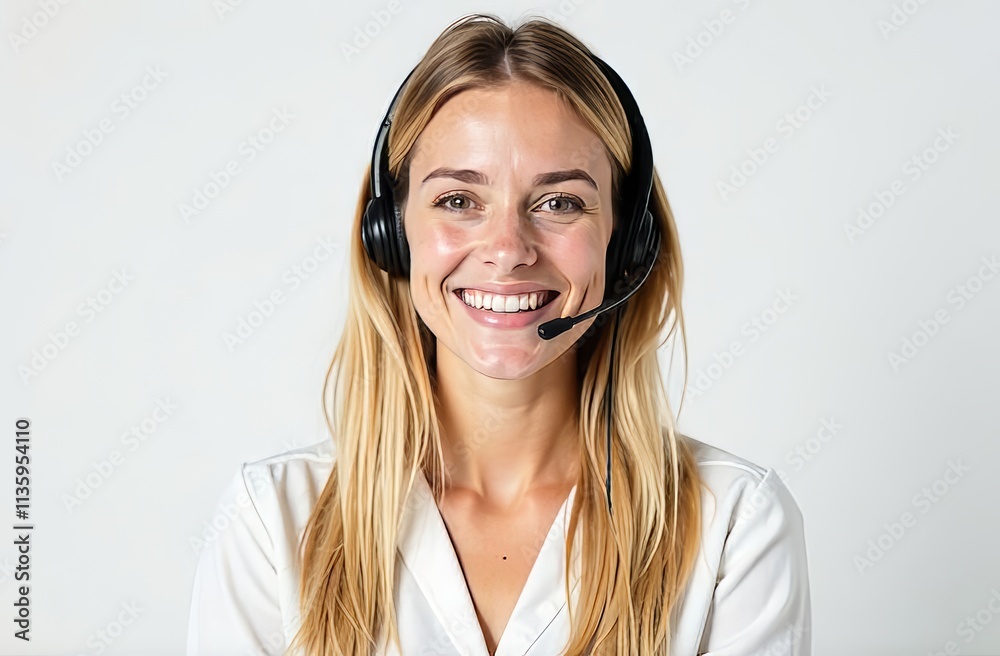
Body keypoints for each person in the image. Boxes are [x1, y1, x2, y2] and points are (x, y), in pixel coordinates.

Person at [186, 13, 811, 656]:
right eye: (459, 200)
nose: (508, 250)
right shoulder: (272, 523)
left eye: (560, 202)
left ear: (625, 244)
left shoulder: (734, 523)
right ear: (393, 236)